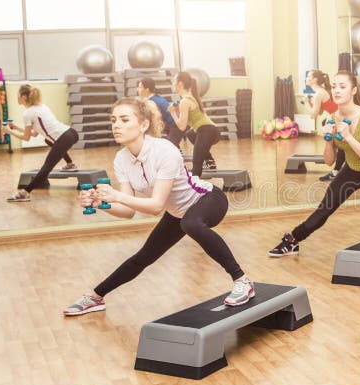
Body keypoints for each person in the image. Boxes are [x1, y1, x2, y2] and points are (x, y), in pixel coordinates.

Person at [63, 97, 254, 316]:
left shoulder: (165, 151)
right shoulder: (121, 159)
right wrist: (101, 204)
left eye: (125, 119)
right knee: (145, 255)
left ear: (144, 125)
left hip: (208, 200)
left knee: (191, 223)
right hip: (178, 213)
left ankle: (242, 281)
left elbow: (155, 206)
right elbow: (127, 211)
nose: (116, 125)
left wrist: (115, 195)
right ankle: (96, 297)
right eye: (114, 120)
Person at [268, 70, 360, 257]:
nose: (336, 91)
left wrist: (348, 136)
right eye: (334, 87)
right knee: (325, 208)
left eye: (342, 86)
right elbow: (329, 161)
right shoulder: (331, 119)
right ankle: (293, 240)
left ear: (353, 90)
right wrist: (327, 140)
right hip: (352, 170)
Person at [2, 84, 79, 202]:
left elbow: (26, 138)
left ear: (23, 97)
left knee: (46, 167)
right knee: (47, 139)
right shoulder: (41, 106)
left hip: (63, 138)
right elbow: (34, 133)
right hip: (71, 133)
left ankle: (25, 192)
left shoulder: (28, 113)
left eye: (18, 95)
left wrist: (8, 131)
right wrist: (16, 127)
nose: (17, 97)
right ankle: (70, 164)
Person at [169, 71, 219, 176]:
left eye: (174, 81)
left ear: (180, 84)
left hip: (207, 131)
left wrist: (173, 113)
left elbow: (182, 127)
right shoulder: (188, 97)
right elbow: (188, 121)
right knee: (191, 134)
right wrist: (178, 111)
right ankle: (210, 162)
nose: (172, 83)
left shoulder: (185, 101)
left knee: (196, 166)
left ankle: (195, 189)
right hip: (210, 130)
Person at [302, 70, 346, 182]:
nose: (306, 78)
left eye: (308, 76)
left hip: (338, 119)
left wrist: (306, 103)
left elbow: (313, 115)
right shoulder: (320, 92)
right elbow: (321, 112)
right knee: (339, 145)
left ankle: (337, 171)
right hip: (335, 118)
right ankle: (337, 170)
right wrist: (311, 103)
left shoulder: (318, 94)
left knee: (340, 146)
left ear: (315, 80)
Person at [137, 77, 184, 148]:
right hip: (173, 124)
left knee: (171, 147)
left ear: (147, 90)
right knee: (173, 147)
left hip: (175, 126)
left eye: (140, 87)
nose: (138, 89)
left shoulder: (151, 102)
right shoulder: (156, 97)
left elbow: (156, 120)